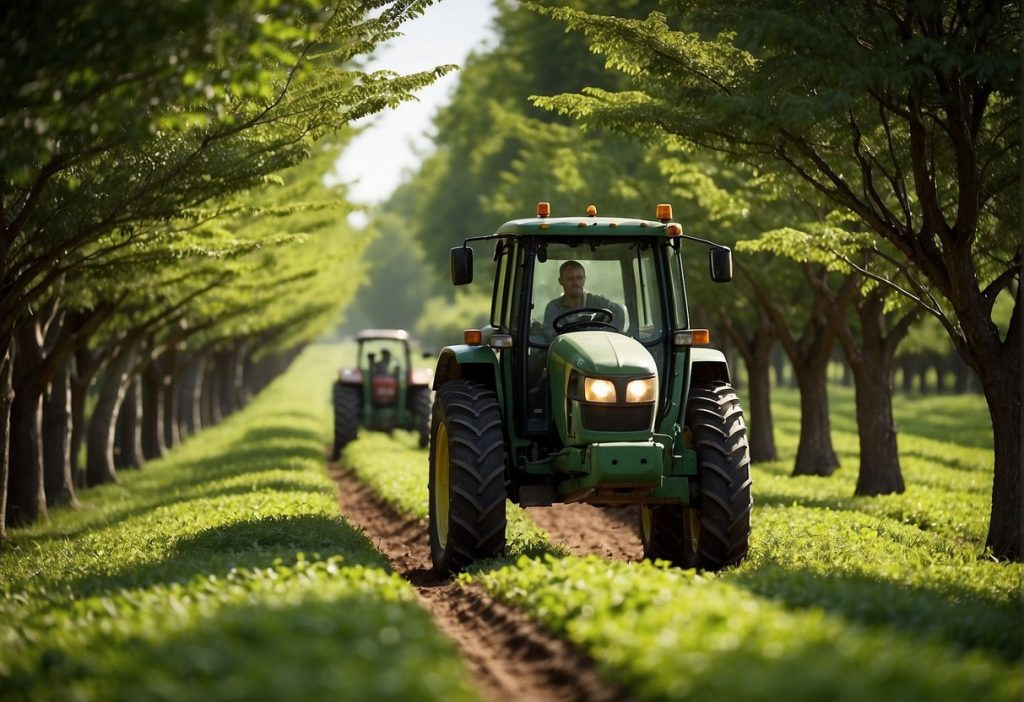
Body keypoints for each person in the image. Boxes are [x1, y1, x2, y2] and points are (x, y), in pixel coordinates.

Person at [542, 260, 625, 334]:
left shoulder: (598, 302)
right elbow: (550, 337)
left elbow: (619, 312)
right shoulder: (554, 307)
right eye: (570, 279)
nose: (576, 283)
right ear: (560, 281)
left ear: (584, 279)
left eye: (580, 278)